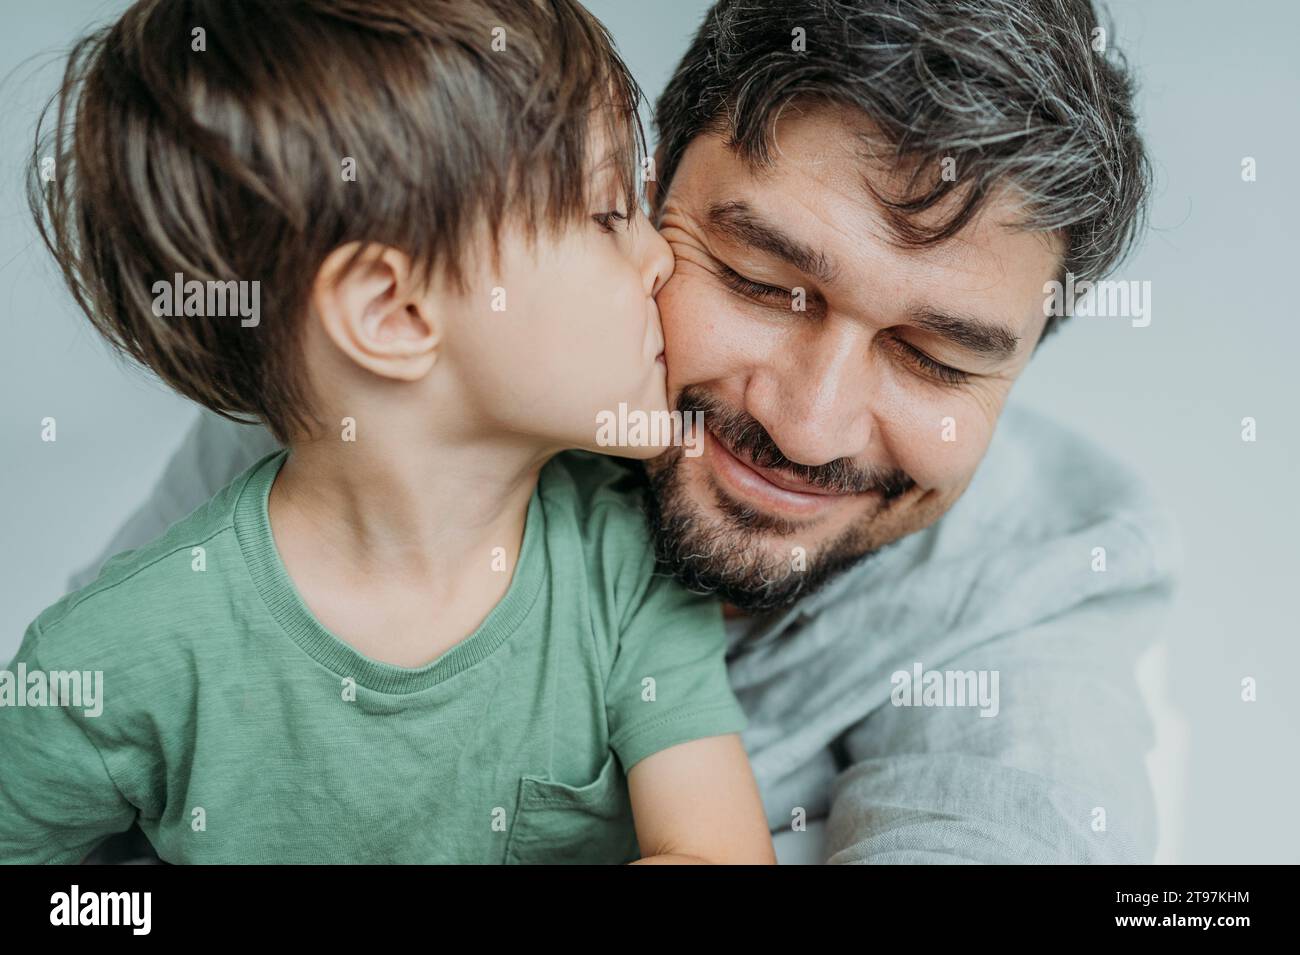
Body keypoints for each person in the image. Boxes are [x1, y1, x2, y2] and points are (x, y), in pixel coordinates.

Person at [69, 0, 1178, 864]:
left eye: (934, 357)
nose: (808, 420)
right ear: (647, 197)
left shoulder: (1047, 584)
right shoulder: (368, 407)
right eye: (757, 280)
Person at [1, 0, 776, 865]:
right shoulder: (109, 660)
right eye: (604, 215)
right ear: (394, 313)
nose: (661, 255)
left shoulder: (627, 568)